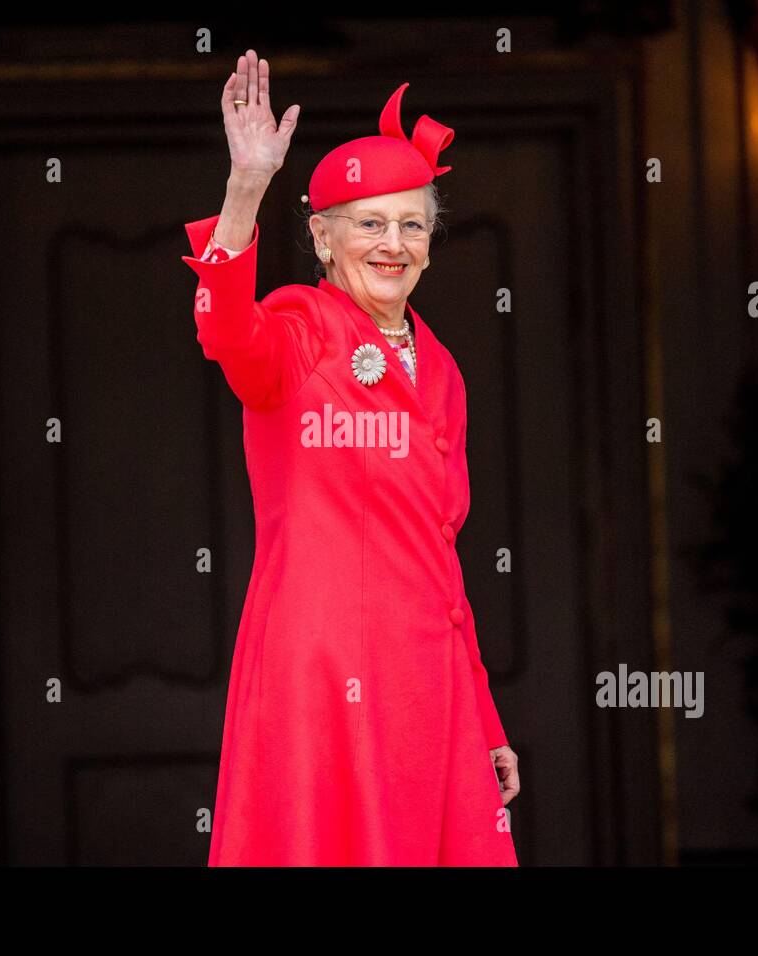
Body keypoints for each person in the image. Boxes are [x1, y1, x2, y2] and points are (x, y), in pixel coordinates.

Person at [180, 50, 519, 865]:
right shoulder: (300, 327)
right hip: (326, 670)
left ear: (433, 243)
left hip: (429, 684)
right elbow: (225, 333)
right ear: (324, 241)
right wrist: (244, 188)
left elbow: (441, 561)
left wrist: (484, 717)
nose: (392, 244)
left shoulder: (440, 367)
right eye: (369, 224)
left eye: (412, 224)